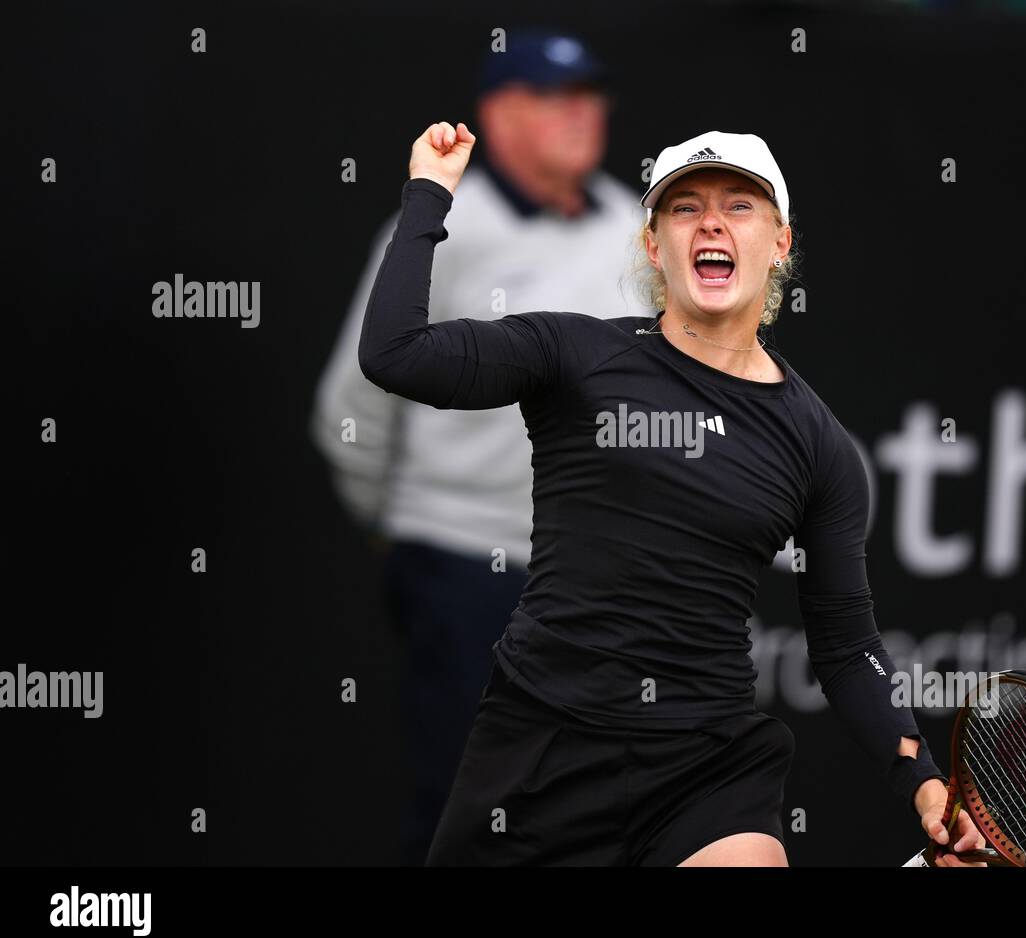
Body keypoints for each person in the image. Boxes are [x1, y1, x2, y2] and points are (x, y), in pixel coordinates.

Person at [358, 118, 988, 866]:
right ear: (655, 245)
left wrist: (923, 785)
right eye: (685, 207)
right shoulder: (574, 354)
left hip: (705, 765)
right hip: (539, 753)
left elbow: (847, 648)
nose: (712, 221)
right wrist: (429, 193)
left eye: (739, 205)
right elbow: (394, 354)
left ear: (780, 243)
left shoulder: (820, 446)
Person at [310, 32, 645, 864]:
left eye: (588, 95)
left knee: (600, 818)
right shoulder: (439, 229)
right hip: (465, 568)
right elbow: (352, 406)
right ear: (498, 116)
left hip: (605, 584)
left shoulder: (642, 234)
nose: (580, 113)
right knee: (468, 812)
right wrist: (406, 523)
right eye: (552, 95)